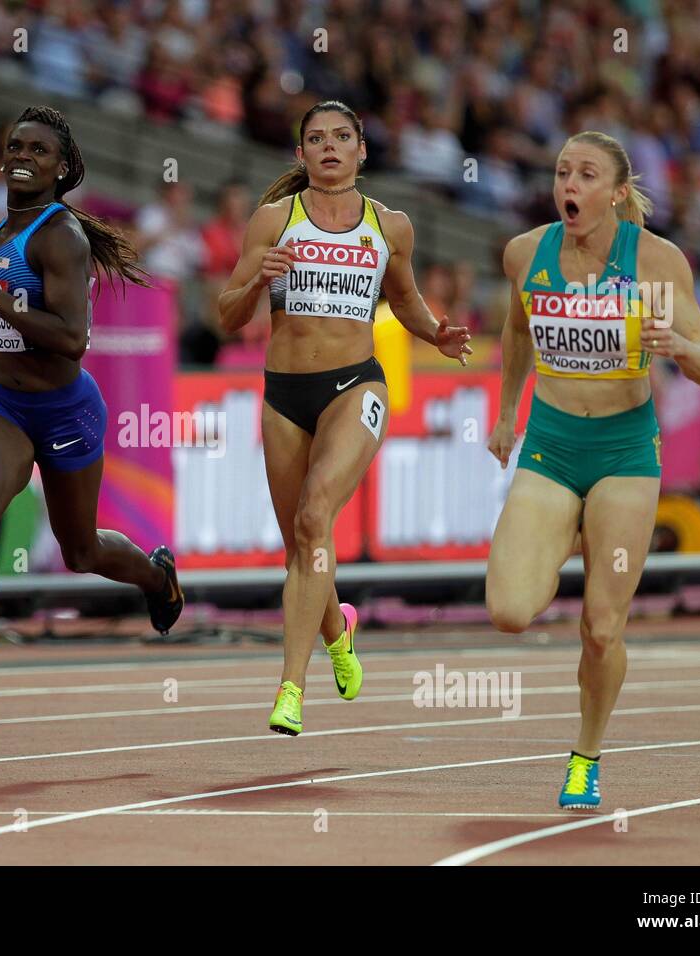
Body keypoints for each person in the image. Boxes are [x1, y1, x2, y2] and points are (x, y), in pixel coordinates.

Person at [218, 100, 472, 736]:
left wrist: (436, 335)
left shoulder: (391, 226)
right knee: (301, 544)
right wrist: (256, 284)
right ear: (300, 155)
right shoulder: (275, 219)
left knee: (314, 516)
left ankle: (290, 691)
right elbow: (224, 313)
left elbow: (407, 300)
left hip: (355, 386)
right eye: (315, 139)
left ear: (362, 150)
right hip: (284, 393)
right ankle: (339, 633)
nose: (328, 147)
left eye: (341, 137)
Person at [485, 130, 700, 808]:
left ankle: (585, 755)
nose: (569, 186)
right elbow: (517, 331)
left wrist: (673, 342)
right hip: (551, 447)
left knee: (601, 629)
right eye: (562, 173)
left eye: (586, 175)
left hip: (624, 453)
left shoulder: (656, 262)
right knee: (507, 611)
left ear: (617, 192)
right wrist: (506, 414)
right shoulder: (526, 253)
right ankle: (563, 534)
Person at [0, 106, 184, 734]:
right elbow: (22, 314)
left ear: (63, 168)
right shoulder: (0, 230)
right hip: (0, 402)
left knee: (80, 550)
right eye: (16, 144)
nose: (23, 155)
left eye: (39, 150)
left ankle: (156, 577)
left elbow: (71, 337)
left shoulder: (60, 236)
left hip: (65, 408)